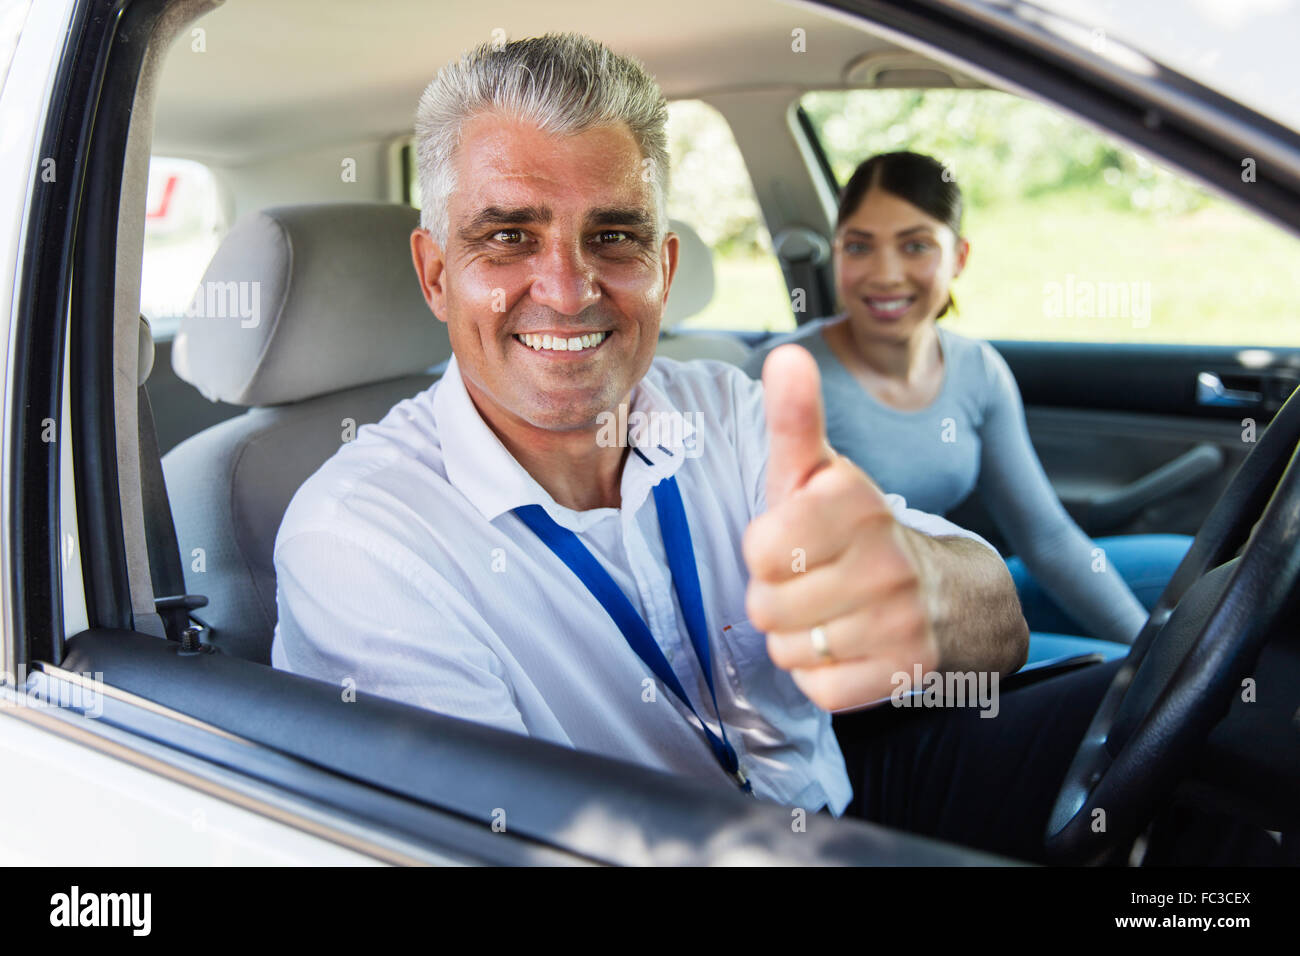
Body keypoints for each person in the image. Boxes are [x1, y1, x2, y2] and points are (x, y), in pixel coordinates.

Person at [269, 34, 1265, 863]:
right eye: (508, 237)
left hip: (834, 796)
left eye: (612, 237)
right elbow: (505, 840)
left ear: (663, 265)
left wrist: (920, 586)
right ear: (436, 272)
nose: (568, 288)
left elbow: (995, 619)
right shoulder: (359, 536)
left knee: (1207, 721)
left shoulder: (725, 406)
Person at [744, 152, 1192, 659]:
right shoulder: (782, 376)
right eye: (859, 246)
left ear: (959, 258)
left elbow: (1045, 538)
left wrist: (1148, 652)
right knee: (1110, 676)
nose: (885, 274)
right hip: (866, 637)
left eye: (916, 246)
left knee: (1185, 569)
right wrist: (1137, 670)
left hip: (952, 591)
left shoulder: (977, 368)